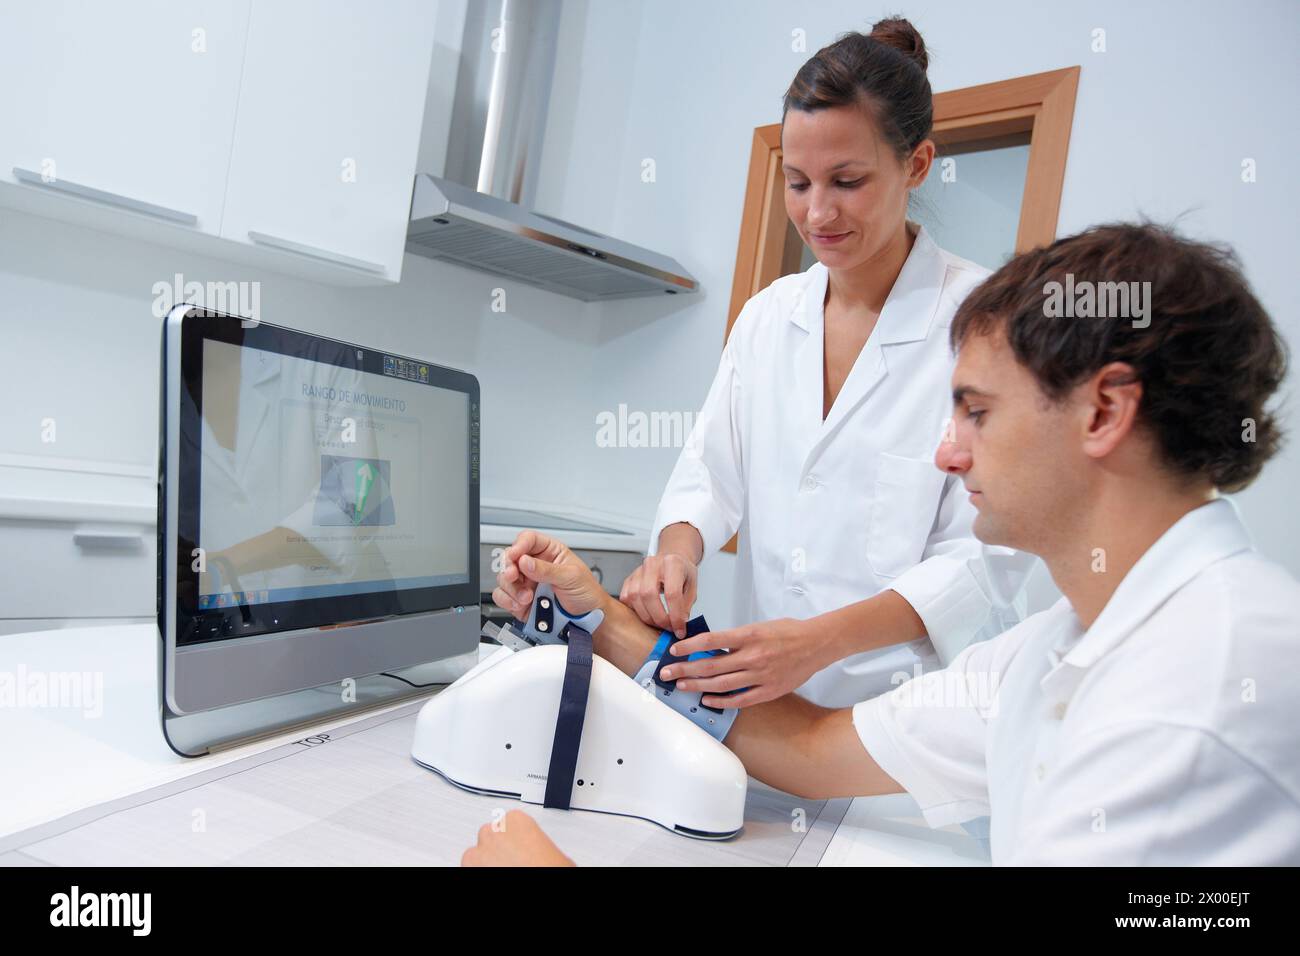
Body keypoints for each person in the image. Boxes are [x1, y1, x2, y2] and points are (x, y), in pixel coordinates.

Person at [467, 222, 1299, 866]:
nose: (946, 451)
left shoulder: (1201, 695)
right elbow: (817, 749)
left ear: (1105, 412)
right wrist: (598, 618)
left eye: (977, 411)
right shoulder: (1053, 651)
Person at [597, 19, 1034, 711]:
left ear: (916, 165)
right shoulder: (770, 316)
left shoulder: (986, 323)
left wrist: (816, 642)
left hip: (904, 727)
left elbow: (985, 554)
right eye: (796, 182)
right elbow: (709, 475)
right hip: (763, 712)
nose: (817, 212)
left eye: (847, 180)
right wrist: (676, 554)